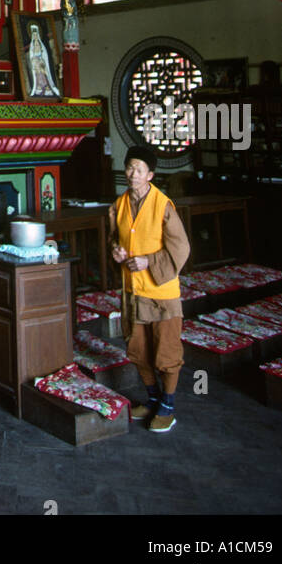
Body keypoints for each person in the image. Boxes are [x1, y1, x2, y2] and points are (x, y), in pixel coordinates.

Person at [109, 141, 190, 432]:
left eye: (139, 170)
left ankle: (167, 406)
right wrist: (117, 251)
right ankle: (153, 398)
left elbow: (180, 249)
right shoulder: (119, 205)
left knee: (166, 353)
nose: (132, 174)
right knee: (138, 349)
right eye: (129, 167)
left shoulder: (163, 205)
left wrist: (148, 262)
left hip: (161, 293)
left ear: (150, 175)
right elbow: (113, 239)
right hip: (133, 290)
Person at [26, 23, 58, 95]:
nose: (35, 36)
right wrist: (35, 61)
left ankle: (47, 87)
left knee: (44, 75)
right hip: (36, 65)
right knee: (38, 75)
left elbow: (44, 55)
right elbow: (31, 56)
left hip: (41, 64)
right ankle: (38, 87)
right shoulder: (32, 45)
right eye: (33, 35)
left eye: (36, 34)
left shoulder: (41, 45)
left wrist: (41, 61)